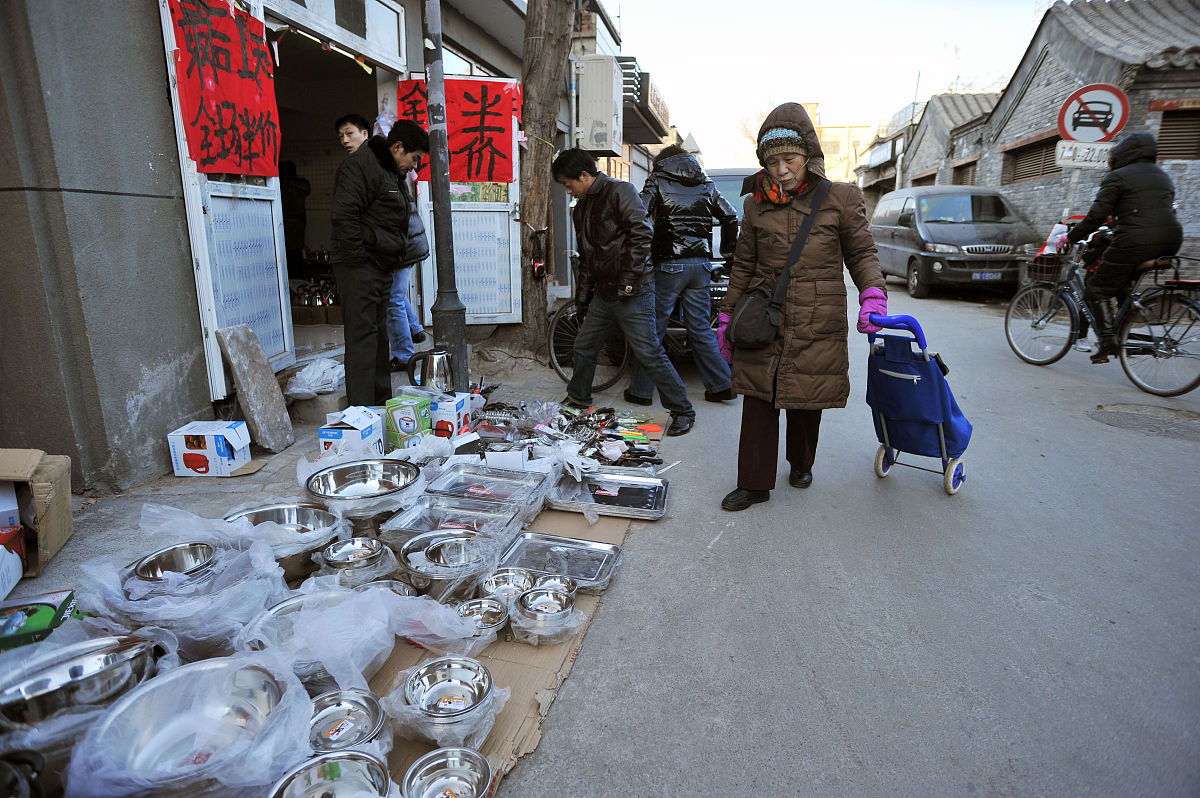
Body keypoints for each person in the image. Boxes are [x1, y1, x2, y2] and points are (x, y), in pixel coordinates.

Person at [716, 102, 887, 511]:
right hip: (765, 311)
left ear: (808, 155)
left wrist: (872, 294)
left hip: (817, 313)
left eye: (789, 159)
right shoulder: (756, 204)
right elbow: (744, 263)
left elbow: (861, 253)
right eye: (771, 162)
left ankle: (800, 462)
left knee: (805, 397)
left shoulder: (840, 198)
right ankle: (754, 482)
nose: (780, 170)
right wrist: (726, 313)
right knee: (759, 397)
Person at [551, 148, 696, 437]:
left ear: (584, 175)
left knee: (649, 353)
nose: (568, 191)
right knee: (584, 345)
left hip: (635, 290)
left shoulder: (621, 191)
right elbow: (587, 256)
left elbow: (642, 234)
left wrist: (629, 279)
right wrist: (582, 297)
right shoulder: (581, 209)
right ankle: (578, 398)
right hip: (604, 293)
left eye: (569, 184)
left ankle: (683, 410)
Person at [624, 144, 739, 407]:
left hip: (669, 265)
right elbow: (730, 216)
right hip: (700, 265)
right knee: (700, 327)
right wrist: (727, 251)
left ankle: (641, 391)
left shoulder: (658, 180)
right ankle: (722, 385)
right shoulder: (706, 184)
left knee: (653, 329)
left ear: (662, 162)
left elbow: (638, 213)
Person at [330, 119, 429, 406]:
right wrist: (359, 261)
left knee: (378, 339)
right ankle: (361, 410)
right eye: (414, 159)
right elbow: (344, 218)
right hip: (359, 267)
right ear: (397, 147)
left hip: (382, 266)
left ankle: (380, 403)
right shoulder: (360, 166)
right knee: (362, 340)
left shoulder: (391, 171)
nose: (415, 166)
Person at [1062, 131, 1182, 364]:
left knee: (1096, 288)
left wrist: (1072, 237)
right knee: (1120, 285)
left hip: (1137, 239)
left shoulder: (1118, 176)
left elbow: (1097, 215)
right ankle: (1122, 330)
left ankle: (1108, 341)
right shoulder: (1163, 176)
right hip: (1171, 239)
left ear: (1123, 152)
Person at [278, 160, 310, 270]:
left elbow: (283, 205)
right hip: (299, 225)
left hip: (285, 225)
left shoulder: (281, 184)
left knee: (287, 260)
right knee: (296, 257)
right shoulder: (300, 184)